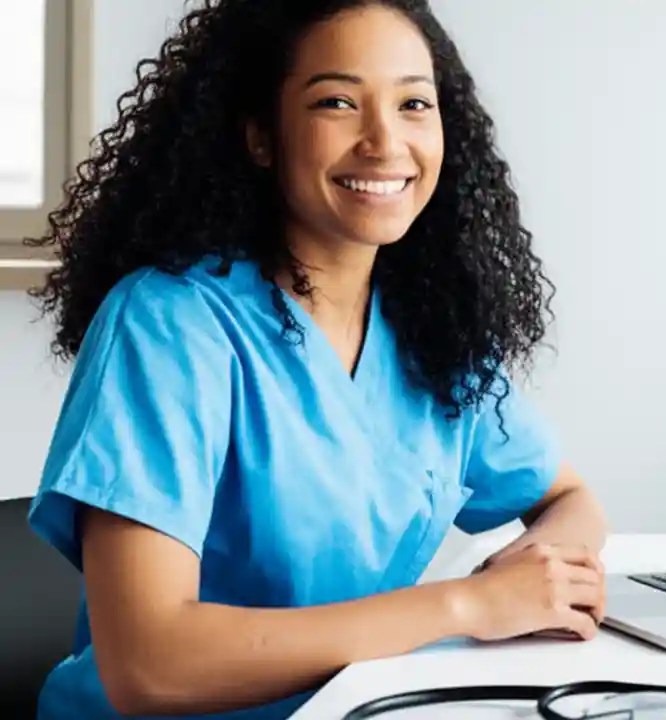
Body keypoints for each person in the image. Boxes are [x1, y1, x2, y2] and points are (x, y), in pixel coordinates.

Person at [20, 2, 608, 718]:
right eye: (337, 102)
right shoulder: (170, 325)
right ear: (262, 136)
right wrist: (466, 605)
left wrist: (537, 574)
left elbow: (569, 501)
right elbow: (150, 664)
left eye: (414, 103)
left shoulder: (431, 329)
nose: (385, 141)